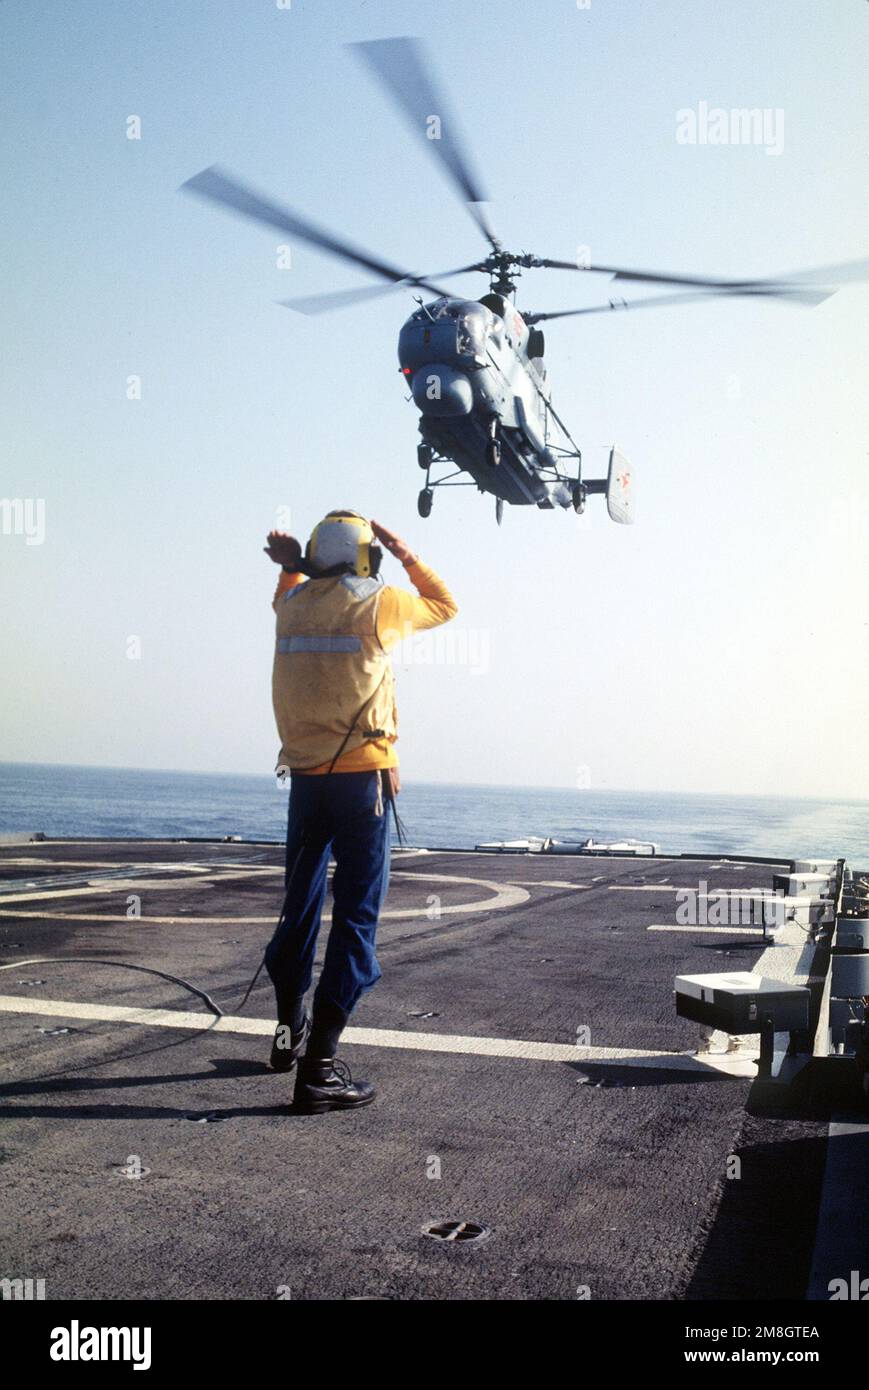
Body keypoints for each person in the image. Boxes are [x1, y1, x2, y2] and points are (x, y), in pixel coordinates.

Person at [262, 510, 457, 1113]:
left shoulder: (290, 606)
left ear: (317, 555)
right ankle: (319, 1069)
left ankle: (288, 1033)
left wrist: (295, 565)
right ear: (368, 558)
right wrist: (404, 548)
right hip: (361, 783)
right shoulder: (381, 604)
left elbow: (291, 589)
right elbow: (445, 604)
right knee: (354, 921)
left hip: (305, 783)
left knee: (298, 909)